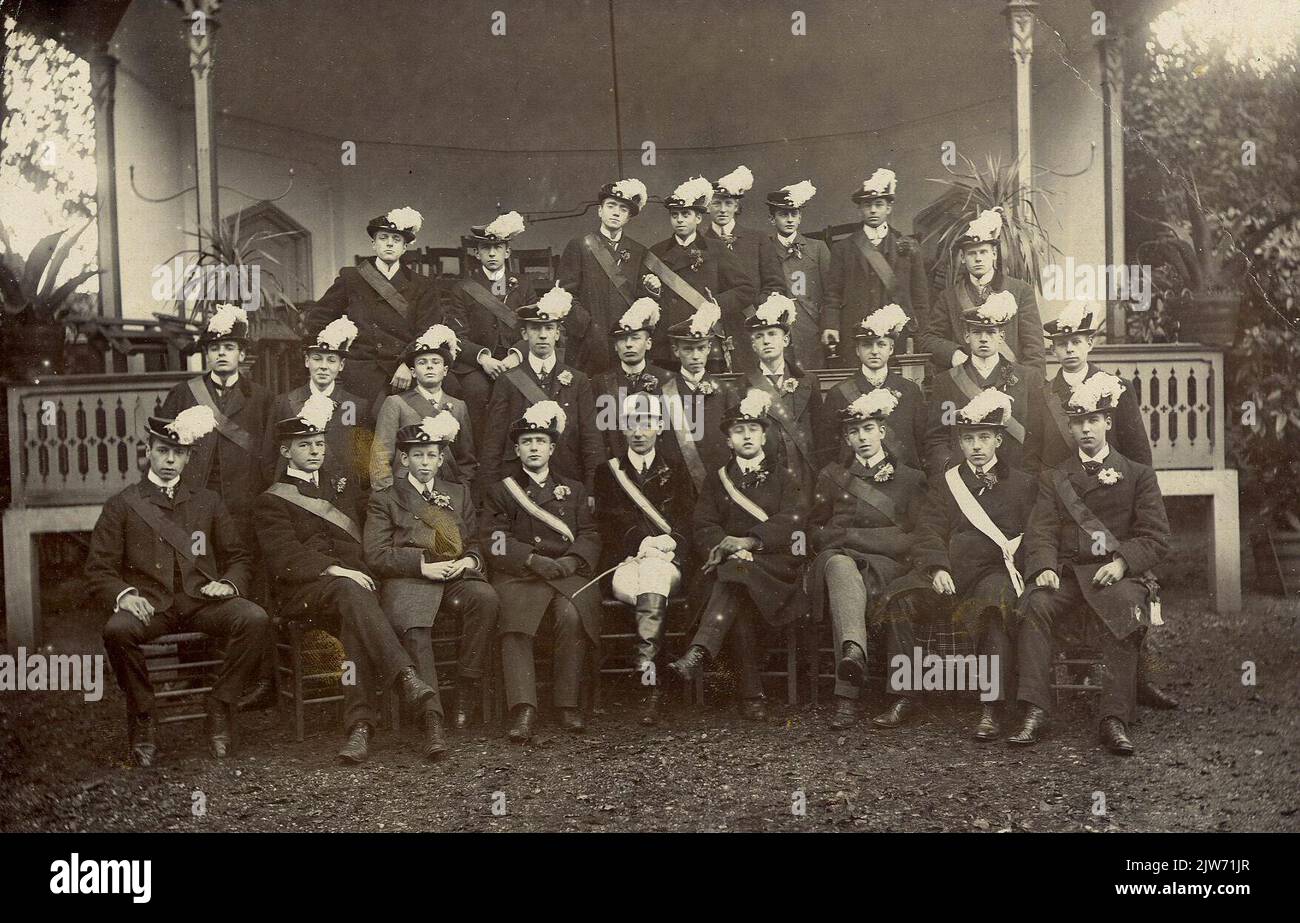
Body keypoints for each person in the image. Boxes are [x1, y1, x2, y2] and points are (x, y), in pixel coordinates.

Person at [253, 393, 440, 764]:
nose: (314, 451)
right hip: (303, 593)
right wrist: (335, 569)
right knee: (351, 591)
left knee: (356, 619)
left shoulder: (341, 486)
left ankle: (359, 728)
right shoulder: (271, 500)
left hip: (353, 592)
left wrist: (354, 573)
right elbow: (284, 559)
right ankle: (404, 675)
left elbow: (364, 540)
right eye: (304, 446)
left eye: (319, 444)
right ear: (286, 452)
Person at [88, 406, 271, 766]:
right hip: (152, 607)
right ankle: (143, 714)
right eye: (162, 451)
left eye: (178, 453)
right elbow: (98, 568)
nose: (170, 460)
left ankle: (219, 703)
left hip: (203, 602)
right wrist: (125, 596)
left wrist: (229, 584)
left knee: (255, 619)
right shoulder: (123, 505)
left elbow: (239, 556)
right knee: (116, 631)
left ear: (188, 458)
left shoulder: (207, 501)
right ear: (148, 453)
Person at [1011, 373, 1171, 755]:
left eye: (1093, 420)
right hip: (1067, 574)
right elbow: (1041, 530)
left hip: (1115, 575)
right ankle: (1035, 709)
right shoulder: (1055, 477)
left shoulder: (1137, 474)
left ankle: (1113, 717)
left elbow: (1156, 537)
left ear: (1107, 423)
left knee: (1127, 608)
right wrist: (1044, 566)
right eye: (1078, 422)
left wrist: (1121, 562)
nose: (1085, 429)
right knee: (1034, 604)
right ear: (1070, 426)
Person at [875, 389, 1036, 737]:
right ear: (959, 444)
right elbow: (928, 529)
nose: (975, 446)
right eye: (967, 439)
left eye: (983, 437)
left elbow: (1032, 536)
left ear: (997, 440)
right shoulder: (946, 482)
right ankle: (905, 694)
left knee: (995, 604)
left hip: (992, 572)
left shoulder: (1022, 485)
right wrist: (937, 567)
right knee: (900, 600)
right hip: (948, 572)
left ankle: (990, 706)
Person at [363, 413, 499, 758]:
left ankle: (465, 686)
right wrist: (422, 565)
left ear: (441, 458)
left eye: (432, 455)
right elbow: (376, 554)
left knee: (485, 598)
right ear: (404, 459)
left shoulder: (457, 492)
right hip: (410, 579)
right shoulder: (386, 497)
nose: (425, 462)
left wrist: (470, 561)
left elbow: (474, 542)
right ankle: (432, 719)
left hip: (453, 575)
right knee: (416, 629)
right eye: (417, 455)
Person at [668, 389, 809, 720]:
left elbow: (794, 521)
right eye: (738, 431)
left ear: (763, 434)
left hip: (776, 567)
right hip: (730, 567)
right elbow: (704, 526)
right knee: (737, 589)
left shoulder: (785, 476)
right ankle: (752, 695)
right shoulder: (717, 481)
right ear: (729, 440)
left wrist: (750, 543)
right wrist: (727, 549)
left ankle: (700, 650)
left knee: (734, 580)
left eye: (752, 429)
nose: (746, 436)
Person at [805, 390, 927, 731]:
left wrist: (853, 537)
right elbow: (815, 527)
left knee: (846, 574)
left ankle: (847, 695)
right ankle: (853, 659)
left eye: (869, 429)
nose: (862, 437)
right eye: (855, 431)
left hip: (887, 566)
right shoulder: (832, 476)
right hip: (842, 561)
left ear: (882, 431)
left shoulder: (910, 478)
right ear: (847, 437)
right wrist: (839, 542)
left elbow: (918, 534)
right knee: (840, 568)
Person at [481, 401, 603, 742]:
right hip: (522, 573)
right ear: (517, 449)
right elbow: (494, 541)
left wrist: (573, 560)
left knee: (572, 614)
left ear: (552, 448)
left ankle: (567, 703)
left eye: (540, 441)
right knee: (517, 620)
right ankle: (523, 708)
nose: (533, 447)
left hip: (567, 573)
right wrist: (531, 559)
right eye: (527, 442)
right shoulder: (501, 491)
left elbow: (590, 534)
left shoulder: (575, 489)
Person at [592, 393, 695, 724]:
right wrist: (644, 542)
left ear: (660, 427)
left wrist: (666, 544)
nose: (638, 431)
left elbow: (688, 520)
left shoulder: (678, 470)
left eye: (646, 423)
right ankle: (651, 678)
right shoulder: (607, 472)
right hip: (625, 565)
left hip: (668, 564)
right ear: (622, 429)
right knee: (648, 579)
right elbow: (609, 521)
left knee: (654, 572)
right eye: (631, 424)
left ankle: (646, 679)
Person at [160, 303, 272, 550]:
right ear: (207, 355)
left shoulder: (262, 398)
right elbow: (163, 447)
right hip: (196, 499)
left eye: (229, 348)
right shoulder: (183, 394)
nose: (221, 354)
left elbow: (271, 455)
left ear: (241, 354)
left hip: (245, 503)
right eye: (215, 348)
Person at [480, 285, 605, 490]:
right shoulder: (508, 381)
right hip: (519, 484)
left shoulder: (578, 380)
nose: (543, 335)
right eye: (535, 328)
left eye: (549, 328)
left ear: (557, 334)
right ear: (525, 334)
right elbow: (494, 442)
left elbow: (591, 439)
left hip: (568, 479)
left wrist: (593, 489)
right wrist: (491, 493)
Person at [446, 211, 537, 448]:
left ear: (507, 251)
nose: (493, 253)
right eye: (486, 248)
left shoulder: (524, 285)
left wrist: (516, 355)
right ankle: (479, 457)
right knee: (475, 392)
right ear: (477, 253)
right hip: (478, 365)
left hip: (515, 359)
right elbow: (457, 335)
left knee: (524, 394)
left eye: (498, 247)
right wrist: (483, 358)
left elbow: (533, 328)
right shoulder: (463, 288)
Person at [645, 176, 755, 370]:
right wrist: (653, 292)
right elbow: (643, 298)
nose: (679, 220)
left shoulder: (716, 249)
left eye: (685, 214)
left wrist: (714, 306)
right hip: (668, 346)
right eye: (674, 215)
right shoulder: (656, 253)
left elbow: (745, 290)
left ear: (698, 218)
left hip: (705, 342)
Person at [923, 292, 1036, 479]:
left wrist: (1026, 476)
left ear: (1001, 336)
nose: (983, 339)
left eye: (991, 332)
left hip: (1015, 479)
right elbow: (937, 438)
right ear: (966, 336)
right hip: (963, 480)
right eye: (976, 332)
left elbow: (1035, 437)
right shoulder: (946, 381)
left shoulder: (1027, 378)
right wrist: (950, 470)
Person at [919, 207, 1046, 373]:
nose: (978, 258)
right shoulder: (949, 296)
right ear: (963, 258)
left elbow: (1033, 348)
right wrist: (955, 354)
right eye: (972, 253)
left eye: (983, 252)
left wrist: (1029, 386)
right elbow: (929, 338)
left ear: (994, 254)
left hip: (1010, 381)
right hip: (967, 382)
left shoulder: (1021, 290)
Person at [556, 177, 662, 374]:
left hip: (625, 341)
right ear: (599, 210)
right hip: (587, 344)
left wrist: (652, 290)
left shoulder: (639, 252)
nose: (616, 212)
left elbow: (642, 299)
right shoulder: (578, 246)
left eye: (623, 209)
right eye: (611, 205)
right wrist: (589, 329)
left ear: (628, 217)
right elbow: (565, 295)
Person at [823, 168, 929, 363]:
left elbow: (920, 297)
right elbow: (833, 294)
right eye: (867, 205)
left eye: (878, 204)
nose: (872, 210)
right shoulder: (843, 249)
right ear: (860, 209)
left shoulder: (908, 247)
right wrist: (831, 325)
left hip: (897, 335)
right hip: (855, 334)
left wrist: (919, 332)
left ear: (888, 208)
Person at [263, 316, 367, 489]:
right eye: (317, 358)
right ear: (306, 361)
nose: (323, 366)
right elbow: (269, 459)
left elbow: (364, 461)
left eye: (331, 360)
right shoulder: (284, 403)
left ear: (341, 365)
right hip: (296, 497)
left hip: (342, 499)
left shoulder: (357, 406)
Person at [819, 303, 926, 471]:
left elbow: (922, 445)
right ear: (857, 350)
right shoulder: (838, 394)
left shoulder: (910, 391)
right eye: (867, 345)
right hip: (858, 486)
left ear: (891, 349)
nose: (874, 351)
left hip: (904, 484)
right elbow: (828, 451)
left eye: (881, 344)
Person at [370, 324, 476, 490]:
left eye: (436, 362)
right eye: (422, 362)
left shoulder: (458, 407)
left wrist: (461, 490)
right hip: (405, 491)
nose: (429, 366)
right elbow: (381, 456)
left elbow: (466, 460)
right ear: (412, 372)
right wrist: (388, 496)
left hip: (448, 489)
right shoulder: (396, 403)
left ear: (445, 370)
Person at [741, 292, 824, 496]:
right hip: (768, 477)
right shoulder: (742, 386)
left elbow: (821, 432)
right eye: (759, 336)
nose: (766, 341)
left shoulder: (808, 381)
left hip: (806, 473)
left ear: (786, 340)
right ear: (753, 345)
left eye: (772, 334)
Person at [658, 302, 739, 500]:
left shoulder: (726, 392)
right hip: (678, 488)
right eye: (688, 349)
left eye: (700, 348)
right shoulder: (662, 393)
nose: (695, 356)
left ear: (709, 348)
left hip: (721, 486)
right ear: (676, 351)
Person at [704, 165, 788, 329]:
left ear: (736, 207)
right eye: (716, 203)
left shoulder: (758, 239)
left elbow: (775, 285)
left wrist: (758, 311)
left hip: (751, 324)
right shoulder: (699, 242)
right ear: (708, 207)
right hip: (715, 327)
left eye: (728, 203)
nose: (722, 209)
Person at [761, 180, 831, 370]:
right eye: (784, 214)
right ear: (772, 219)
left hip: (810, 328)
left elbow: (830, 293)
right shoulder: (763, 248)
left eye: (794, 214)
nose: (790, 219)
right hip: (775, 329)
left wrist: (826, 326)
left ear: (800, 218)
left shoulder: (817, 248)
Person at [589, 297, 671, 459]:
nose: (628, 344)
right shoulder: (601, 383)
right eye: (622, 339)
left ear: (648, 343)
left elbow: (671, 435)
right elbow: (597, 436)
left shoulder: (667, 380)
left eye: (635, 338)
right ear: (615, 346)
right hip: (616, 470)